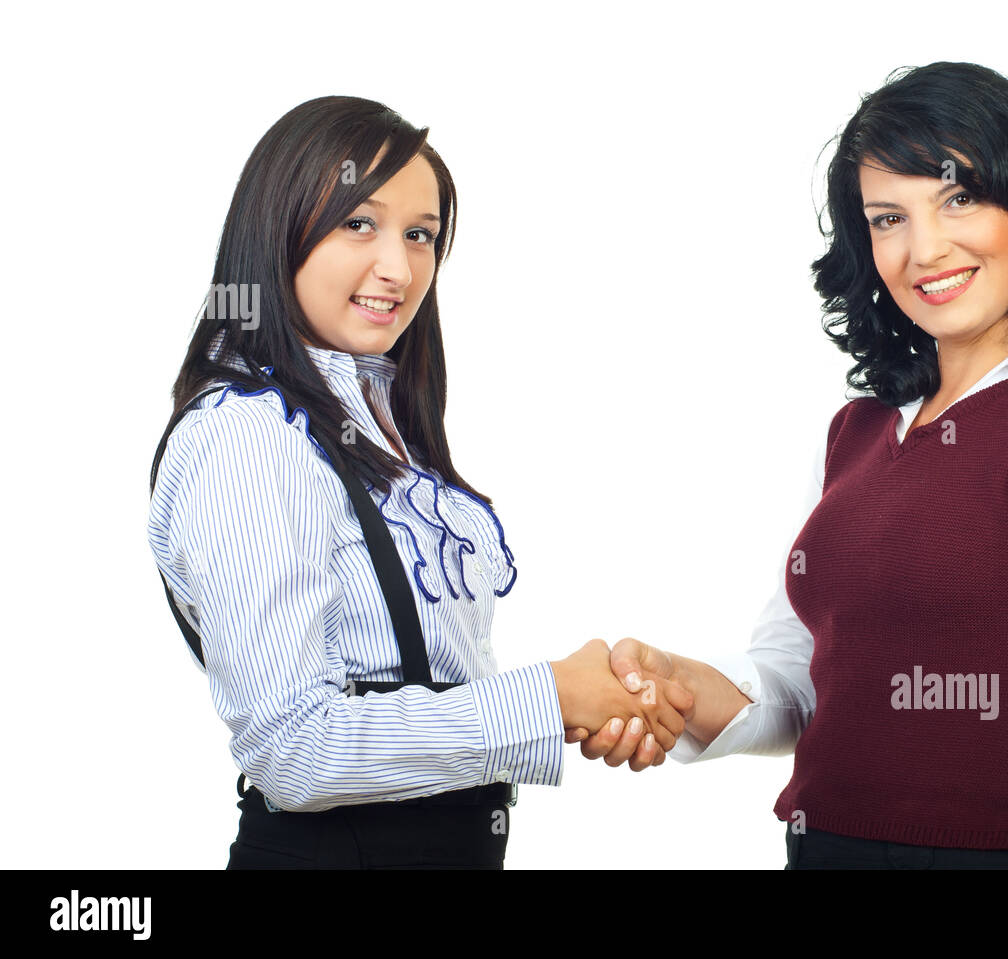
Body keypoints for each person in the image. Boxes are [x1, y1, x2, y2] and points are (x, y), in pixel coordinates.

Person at [570, 61, 1008, 870]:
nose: (925, 249)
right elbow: (797, 684)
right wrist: (672, 683)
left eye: (959, 197)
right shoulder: (857, 434)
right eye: (889, 217)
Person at [146, 95, 690, 870]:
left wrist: (583, 704)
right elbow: (293, 748)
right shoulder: (249, 436)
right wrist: (552, 699)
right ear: (277, 227)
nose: (399, 268)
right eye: (358, 224)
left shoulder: (373, 417)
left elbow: (427, 688)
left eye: (421, 235)